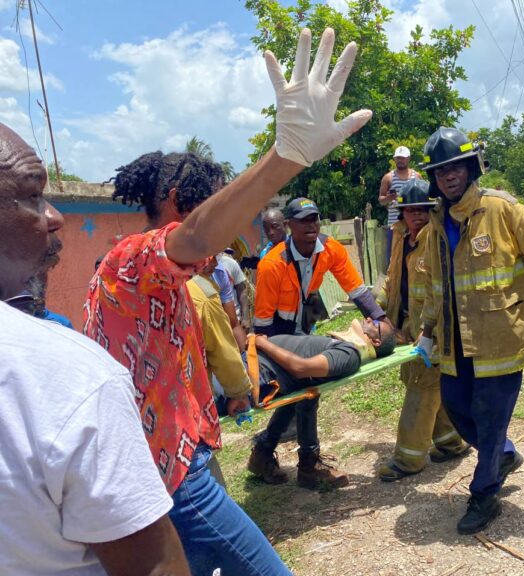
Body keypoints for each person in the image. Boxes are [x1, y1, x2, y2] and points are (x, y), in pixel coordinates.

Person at [84, 27, 371, 576]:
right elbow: (195, 240)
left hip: (179, 462)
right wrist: (284, 158)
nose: (227, 225)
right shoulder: (129, 263)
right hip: (173, 473)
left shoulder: (173, 283)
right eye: (210, 206)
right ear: (176, 203)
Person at [0, 123, 190, 575]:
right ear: (174, 199)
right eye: (31, 197)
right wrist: (283, 159)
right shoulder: (70, 372)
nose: (53, 216)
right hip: (172, 463)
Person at [416, 127, 524, 535]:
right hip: (454, 343)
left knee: (490, 420)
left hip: (500, 338)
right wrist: (426, 331)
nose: (449, 177)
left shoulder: (502, 209)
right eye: (441, 171)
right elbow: (433, 283)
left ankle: (484, 493)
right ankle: (504, 455)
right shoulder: (437, 221)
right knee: (458, 411)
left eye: (456, 167)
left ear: (471, 167)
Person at [376, 179, 468, 482]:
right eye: (410, 210)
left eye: (423, 209)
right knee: (430, 386)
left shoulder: (436, 238)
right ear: (402, 213)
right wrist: (377, 308)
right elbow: (392, 278)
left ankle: (408, 459)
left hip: (431, 330)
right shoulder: (401, 237)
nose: (416, 215)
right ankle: (451, 441)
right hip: (406, 325)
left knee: (421, 386)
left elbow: (440, 292)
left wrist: (430, 332)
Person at [247, 318, 397, 488]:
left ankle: (289, 461)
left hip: (254, 371)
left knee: (309, 393)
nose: (369, 318)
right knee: (308, 392)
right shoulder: (344, 347)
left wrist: (261, 342)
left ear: (375, 341)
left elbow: (300, 368)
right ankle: (278, 458)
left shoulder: (349, 354)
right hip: (254, 365)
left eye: (375, 323)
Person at [253, 197, 386, 337]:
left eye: (314, 219)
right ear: (289, 225)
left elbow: (358, 292)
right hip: (279, 328)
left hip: (308, 318)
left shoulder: (331, 249)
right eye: (304, 220)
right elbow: (263, 322)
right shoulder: (271, 264)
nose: (311, 225)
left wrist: (384, 325)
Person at [187, 257, 252, 418]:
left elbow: (233, 322)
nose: (216, 263)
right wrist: (239, 393)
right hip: (191, 403)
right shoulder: (200, 293)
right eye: (209, 257)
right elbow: (221, 349)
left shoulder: (133, 284)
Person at [379, 146, 422, 262]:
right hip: (395, 223)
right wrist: (389, 198)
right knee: (394, 259)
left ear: (408, 159)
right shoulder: (388, 178)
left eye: (402, 158)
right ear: (394, 159)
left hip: (414, 223)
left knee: (416, 256)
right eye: (398, 158)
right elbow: (381, 200)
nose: (400, 160)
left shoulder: (416, 176)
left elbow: (422, 197)